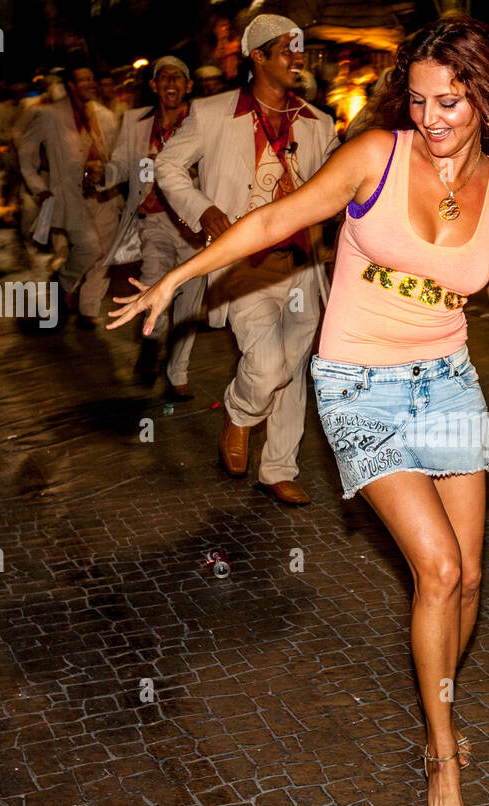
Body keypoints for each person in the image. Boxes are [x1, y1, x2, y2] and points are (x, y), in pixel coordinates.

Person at [107, 15, 489, 806]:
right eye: (419, 100)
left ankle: (442, 698)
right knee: (437, 567)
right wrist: (179, 281)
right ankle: (443, 755)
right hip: (357, 383)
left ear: (484, 96)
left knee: (471, 576)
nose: (434, 117)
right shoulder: (376, 155)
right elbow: (273, 222)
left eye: (451, 100)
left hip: (446, 380)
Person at [153, 15, 337, 505]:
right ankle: (238, 413)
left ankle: (277, 467)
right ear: (257, 56)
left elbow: (340, 188)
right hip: (243, 266)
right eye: (287, 51)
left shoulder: (320, 123)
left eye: (301, 52)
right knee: (267, 362)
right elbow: (168, 166)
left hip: (300, 264)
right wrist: (203, 207)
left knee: (294, 367)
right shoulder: (213, 113)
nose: (298, 59)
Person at [91, 57, 204, 400]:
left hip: (194, 223)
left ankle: (178, 371)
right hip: (153, 217)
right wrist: (103, 175)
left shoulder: (203, 122)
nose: (171, 82)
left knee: (190, 298)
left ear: (188, 87)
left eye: (179, 78)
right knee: (152, 281)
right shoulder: (136, 122)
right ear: (154, 86)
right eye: (164, 77)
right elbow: (122, 166)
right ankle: (152, 341)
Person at [18, 59, 122, 328]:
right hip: (69, 195)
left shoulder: (106, 116)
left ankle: (88, 310)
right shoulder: (49, 115)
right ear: (71, 85)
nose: (90, 84)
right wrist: (38, 187)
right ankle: (63, 281)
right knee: (89, 247)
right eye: (83, 80)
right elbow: (26, 150)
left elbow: (116, 155)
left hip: (104, 194)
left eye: (92, 79)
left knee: (105, 253)